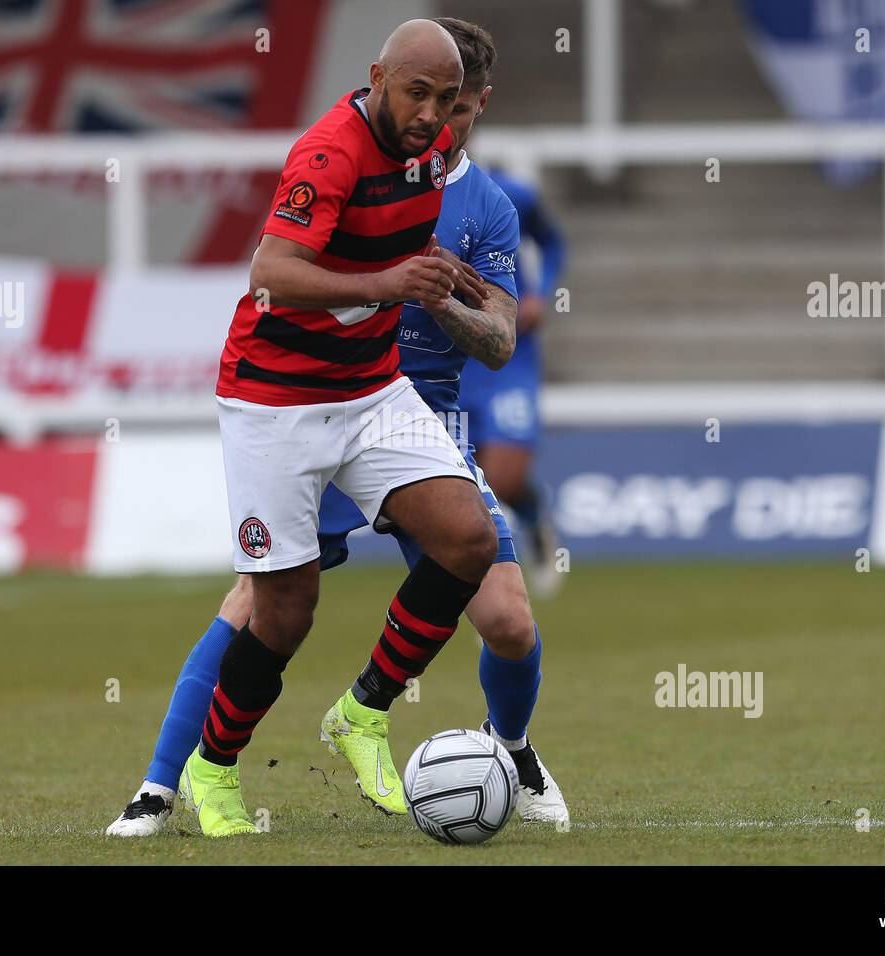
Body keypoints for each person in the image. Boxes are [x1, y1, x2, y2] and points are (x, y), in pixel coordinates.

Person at [106, 18, 568, 838]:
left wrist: (450, 297)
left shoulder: (469, 189)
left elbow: (495, 332)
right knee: (277, 607)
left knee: (482, 570)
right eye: (418, 94)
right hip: (280, 398)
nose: (433, 116)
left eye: (450, 102)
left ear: (475, 105)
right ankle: (181, 778)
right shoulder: (330, 155)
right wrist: (396, 281)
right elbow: (270, 272)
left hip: (385, 394)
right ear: (380, 78)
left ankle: (388, 717)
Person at [458, 158, 567, 596]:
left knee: (502, 476)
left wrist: (543, 292)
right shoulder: (408, 195)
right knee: (463, 485)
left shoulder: (508, 194)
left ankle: (532, 510)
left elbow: (554, 240)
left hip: (509, 357)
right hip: (451, 360)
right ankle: (480, 575)